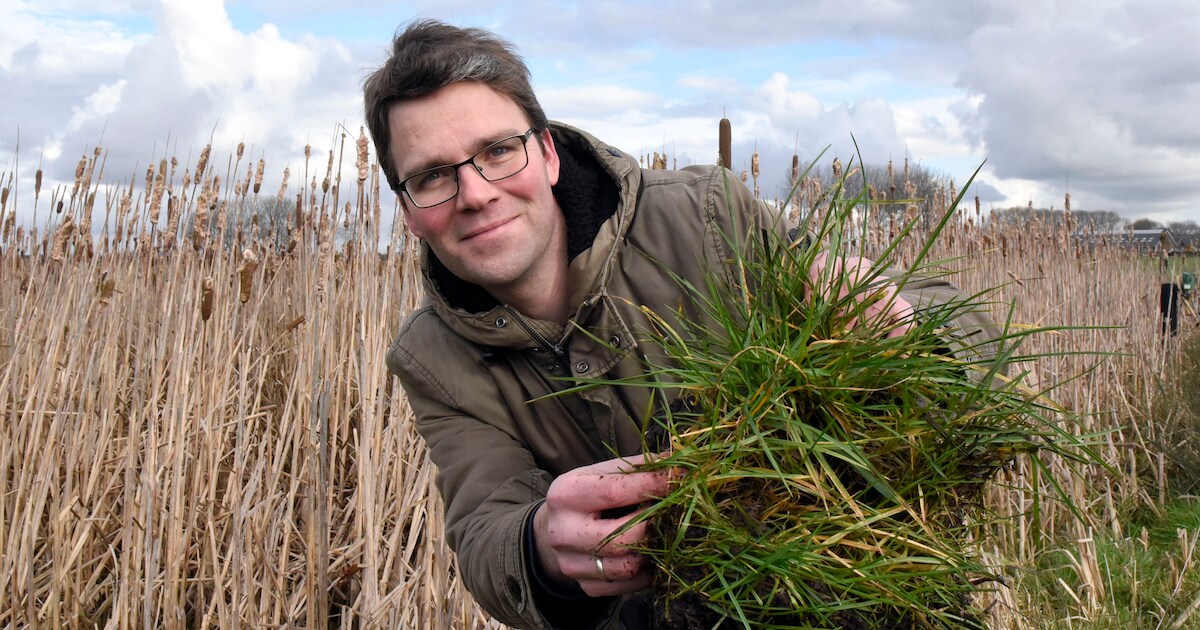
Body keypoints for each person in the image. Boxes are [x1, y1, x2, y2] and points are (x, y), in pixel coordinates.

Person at [364, 19, 996, 630]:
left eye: (499, 150)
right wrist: (544, 547)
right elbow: (486, 534)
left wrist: (903, 323)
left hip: (854, 595)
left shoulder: (710, 216)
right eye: (432, 177)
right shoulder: (431, 359)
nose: (475, 193)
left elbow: (970, 327)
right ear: (407, 210)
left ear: (549, 153)